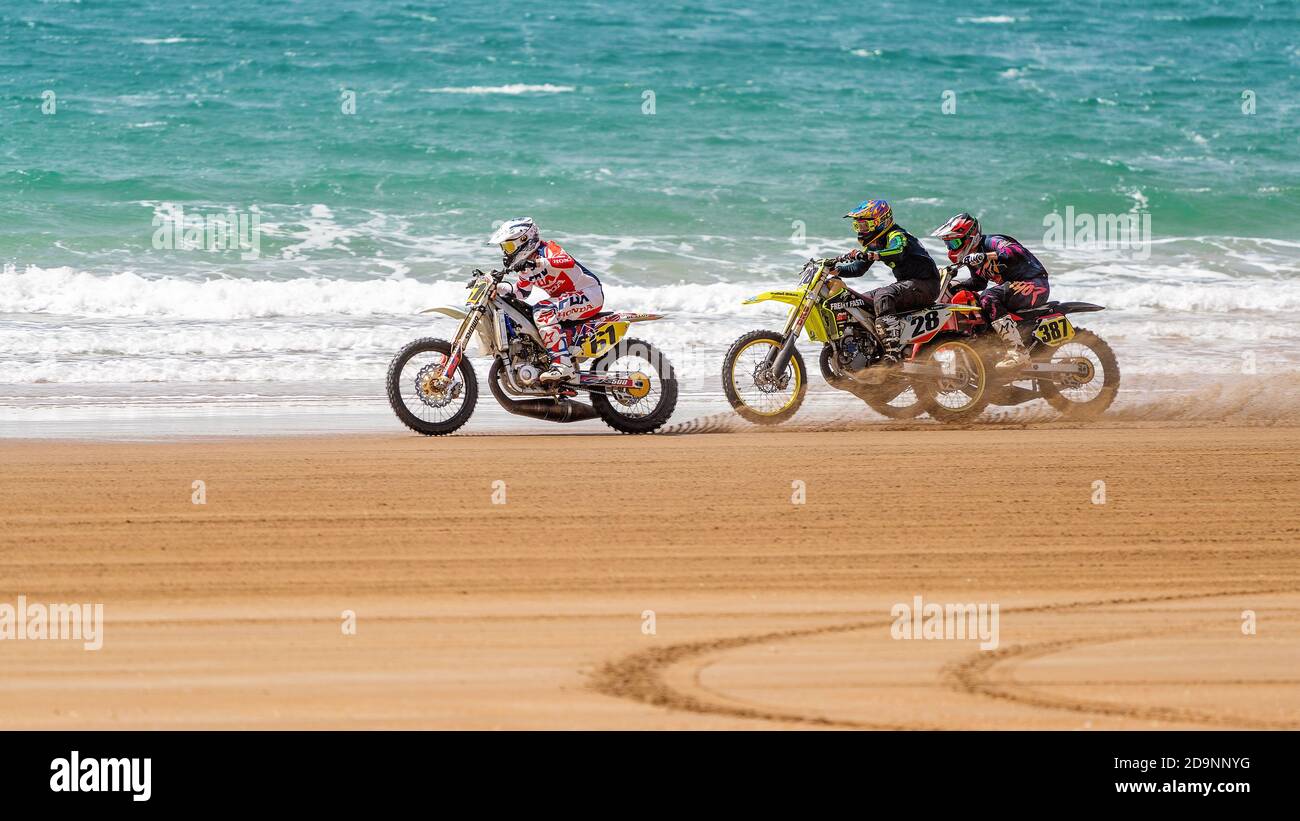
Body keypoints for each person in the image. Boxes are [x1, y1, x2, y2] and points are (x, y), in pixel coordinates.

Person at [488, 217, 604, 383]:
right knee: (526, 311)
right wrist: (496, 287)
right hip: (567, 299)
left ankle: (563, 366)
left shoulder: (547, 249)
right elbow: (521, 292)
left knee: (543, 310)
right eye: (504, 248)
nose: (506, 252)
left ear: (524, 240)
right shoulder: (526, 268)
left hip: (589, 294)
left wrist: (538, 263)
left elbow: (567, 261)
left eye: (509, 246)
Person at [931, 212, 1050, 371]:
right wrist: (954, 287)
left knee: (988, 297)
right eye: (948, 245)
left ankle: (1017, 351)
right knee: (971, 301)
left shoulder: (993, 242)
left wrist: (985, 256)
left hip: (1034, 284)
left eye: (954, 243)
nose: (951, 248)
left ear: (970, 236)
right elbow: (979, 283)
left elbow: (1015, 252)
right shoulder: (973, 257)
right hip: (1014, 288)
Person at [831, 199, 941, 364]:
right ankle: (870, 348)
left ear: (881, 222)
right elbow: (858, 269)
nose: (861, 230)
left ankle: (893, 352)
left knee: (883, 295)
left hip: (926, 284)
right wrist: (835, 270)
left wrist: (874, 255)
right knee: (858, 300)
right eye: (858, 226)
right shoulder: (875, 243)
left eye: (864, 226)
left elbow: (898, 250)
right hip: (908, 285)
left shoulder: (897, 235)